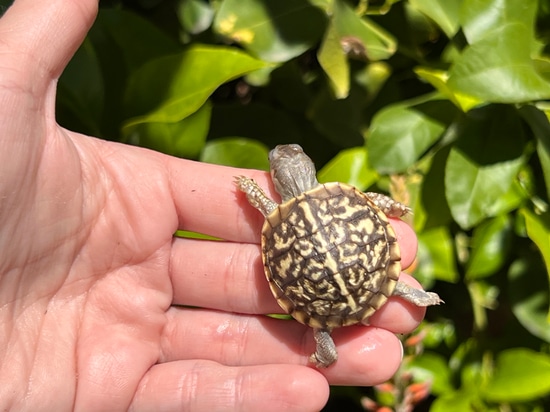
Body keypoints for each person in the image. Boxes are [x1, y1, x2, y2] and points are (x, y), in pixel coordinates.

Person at [0, 0, 430, 410]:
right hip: (362, 272)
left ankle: (330, 339)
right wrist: (393, 207)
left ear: (279, 181)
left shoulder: (272, 211)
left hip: (316, 294)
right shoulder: (340, 196)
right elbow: (370, 203)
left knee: (324, 320)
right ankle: (405, 293)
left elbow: (272, 206)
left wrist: (251, 190)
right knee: (380, 284)